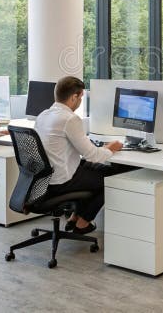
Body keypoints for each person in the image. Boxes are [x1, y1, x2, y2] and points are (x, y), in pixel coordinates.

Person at [35, 76, 124, 234]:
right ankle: (83, 223)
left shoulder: (43, 115)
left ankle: (74, 218)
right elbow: (92, 155)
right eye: (81, 97)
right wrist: (111, 148)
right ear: (74, 97)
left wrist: (95, 147)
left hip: (44, 180)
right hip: (61, 181)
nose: (80, 101)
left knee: (90, 167)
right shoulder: (70, 118)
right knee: (109, 178)